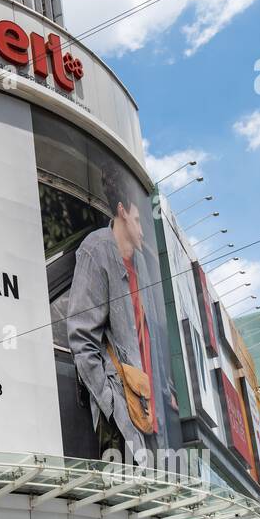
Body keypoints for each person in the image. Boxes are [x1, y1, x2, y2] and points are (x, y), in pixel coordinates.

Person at [65, 166, 171, 461]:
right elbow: (81, 336)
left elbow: (150, 338)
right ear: (122, 212)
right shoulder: (96, 250)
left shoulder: (142, 264)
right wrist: (110, 405)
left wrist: (165, 391)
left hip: (152, 414)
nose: (141, 229)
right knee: (124, 503)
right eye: (137, 220)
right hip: (121, 419)